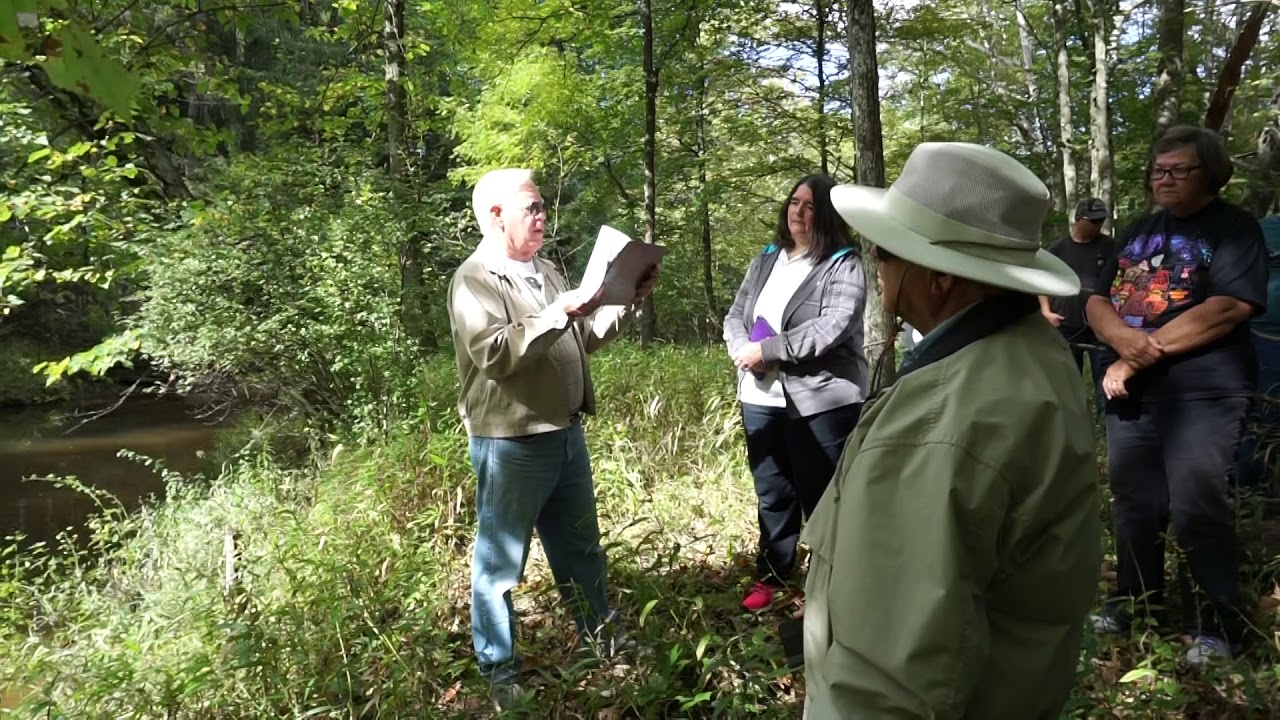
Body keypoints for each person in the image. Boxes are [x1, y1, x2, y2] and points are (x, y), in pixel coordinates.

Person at [801, 142, 1102, 718]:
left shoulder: (938, 425)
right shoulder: (1033, 352)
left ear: (937, 279)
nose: (878, 267)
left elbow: (888, 679)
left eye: (886, 253)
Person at [447, 168, 657, 709]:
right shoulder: (475, 279)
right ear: (495, 216)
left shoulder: (544, 270)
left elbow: (583, 337)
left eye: (542, 208)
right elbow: (495, 354)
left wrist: (625, 300)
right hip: (512, 442)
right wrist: (555, 312)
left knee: (580, 549)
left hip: (565, 433)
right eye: (531, 209)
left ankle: (601, 637)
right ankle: (499, 670)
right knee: (499, 568)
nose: (542, 217)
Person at [1087, 125, 1268, 663]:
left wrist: (1134, 353)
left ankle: (1218, 624)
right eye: (1158, 170)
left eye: (1178, 170)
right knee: (1135, 504)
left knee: (1198, 504)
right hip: (1131, 394)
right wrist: (1120, 339)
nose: (1163, 179)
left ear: (1209, 173)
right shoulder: (1139, 229)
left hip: (1203, 392)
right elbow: (1098, 300)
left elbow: (1229, 307)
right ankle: (1134, 602)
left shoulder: (1235, 228)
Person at [722, 173, 869, 613]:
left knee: (823, 498)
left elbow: (832, 326)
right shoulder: (768, 258)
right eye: (794, 202)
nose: (798, 212)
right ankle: (771, 575)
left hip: (822, 400)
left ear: (827, 215)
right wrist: (741, 350)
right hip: (761, 397)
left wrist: (766, 350)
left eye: (809, 206)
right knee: (772, 491)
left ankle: (834, 590)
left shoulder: (843, 263)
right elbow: (736, 314)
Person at [1038, 196, 1115, 413]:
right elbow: (1042, 280)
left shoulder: (1110, 247)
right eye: (1093, 221)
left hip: (1100, 326)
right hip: (1065, 324)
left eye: (1101, 221)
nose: (1097, 226)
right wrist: (1046, 311)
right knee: (1066, 379)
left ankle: (1107, 418)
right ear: (1079, 219)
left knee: (1105, 375)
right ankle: (1072, 419)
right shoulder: (1059, 248)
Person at [1235, 213, 1280, 490]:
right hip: (1258, 332)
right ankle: (1251, 484)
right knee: (1258, 410)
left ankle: (1250, 485)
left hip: (1255, 330)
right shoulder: (1261, 228)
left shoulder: (1257, 228)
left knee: (1256, 410)